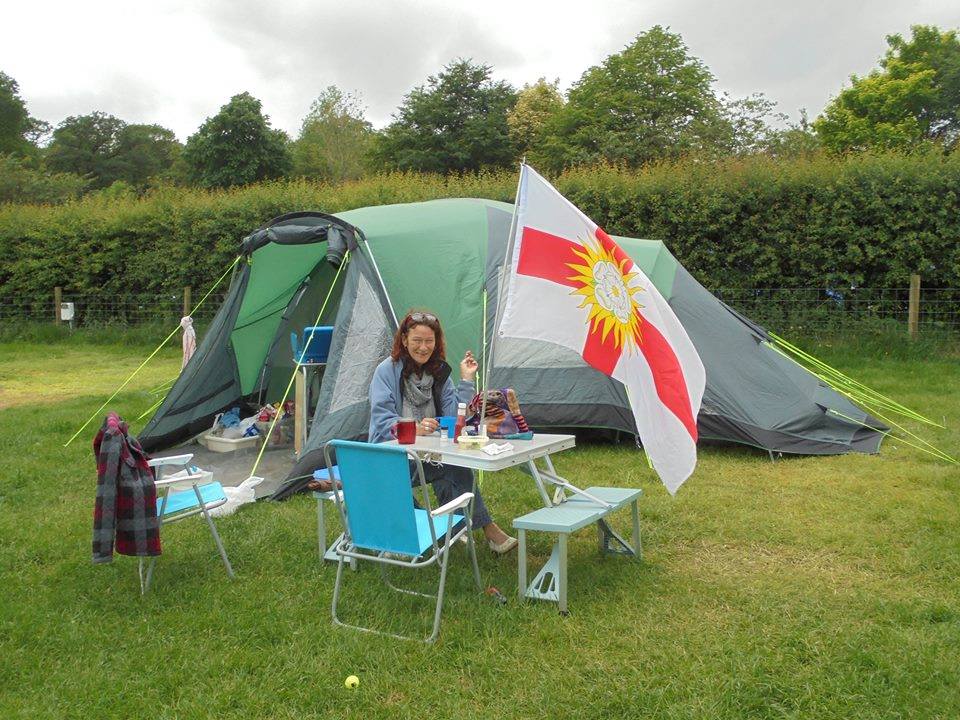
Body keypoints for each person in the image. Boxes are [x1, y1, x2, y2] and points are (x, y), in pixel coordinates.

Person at [368, 310, 518, 554]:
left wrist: (467, 380)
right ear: (404, 340)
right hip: (390, 459)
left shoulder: (439, 372)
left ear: (437, 342)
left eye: (429, 341)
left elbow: (453, 417)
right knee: (448, 467)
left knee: (456, 466)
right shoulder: (386, 371)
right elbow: (383, 421)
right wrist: (415, 428)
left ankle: (472, 528)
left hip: (425, 456)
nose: (423, 347)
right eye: (417, 340)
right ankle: (436, 528)